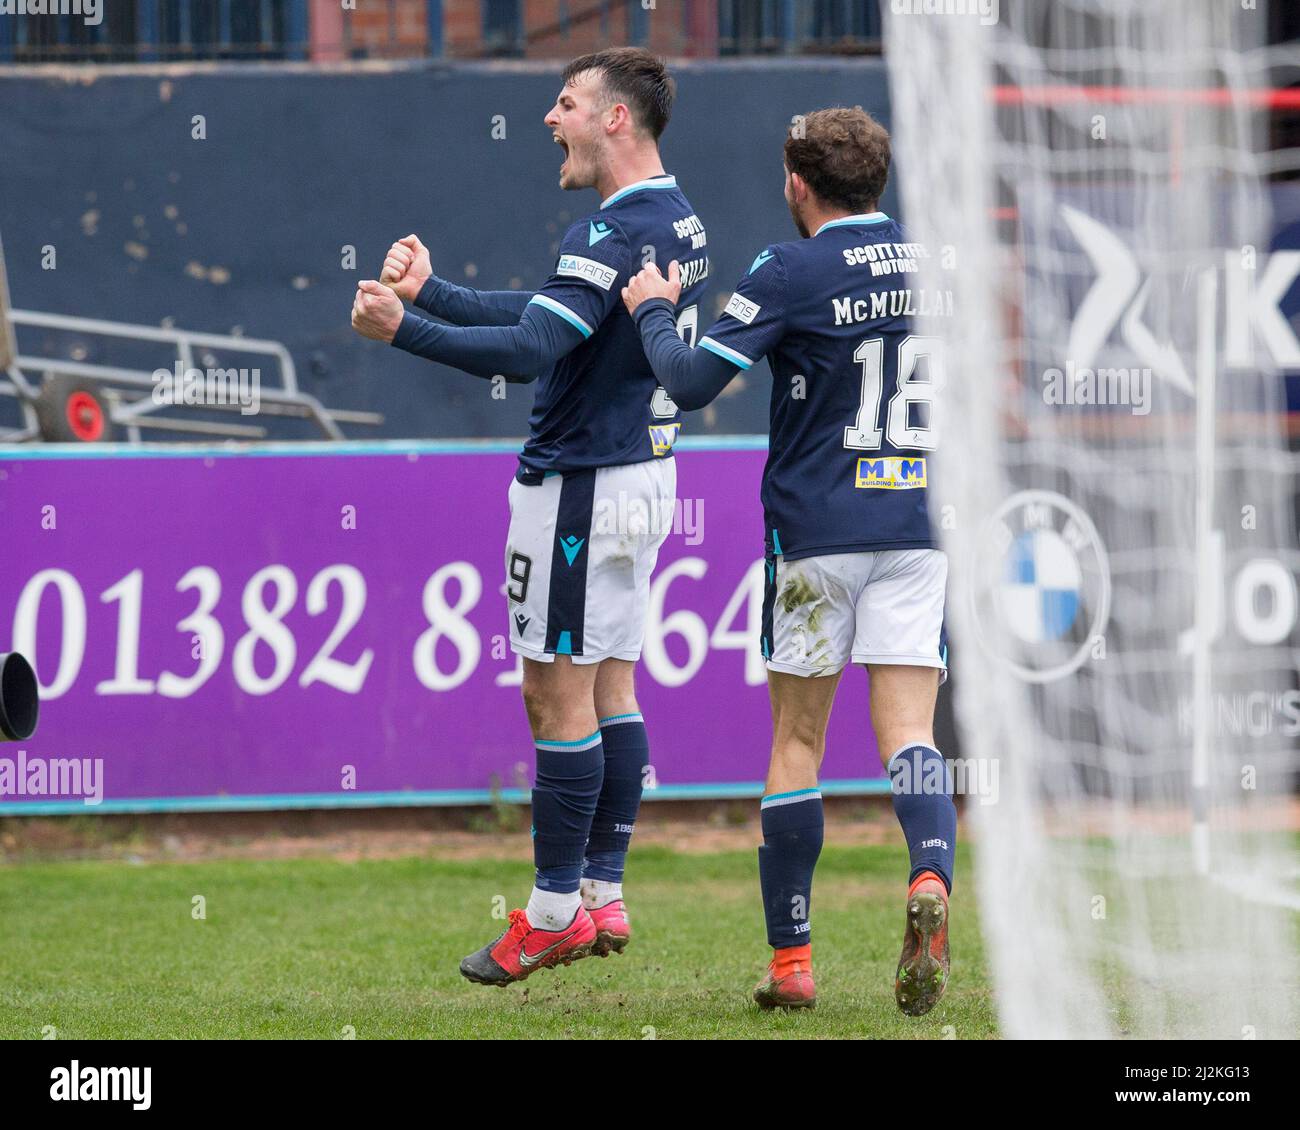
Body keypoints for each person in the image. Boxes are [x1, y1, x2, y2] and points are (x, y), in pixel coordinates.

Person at [350, 48, 710, 985]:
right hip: (643, 477)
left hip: (581, 488)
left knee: (554, 695)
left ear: (615, 120)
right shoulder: (677, 216)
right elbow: (556, 317)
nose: (550, 119)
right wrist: (436, 293)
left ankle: (552, 914)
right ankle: (601, 889)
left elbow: (529, 344)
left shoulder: (612, 225)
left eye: (566, 104)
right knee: (611, 690)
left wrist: (405, 330)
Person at [620, 107, 955, 1016]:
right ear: (878, 181)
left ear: (797, 186)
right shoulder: (938, 266)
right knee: (911, 738)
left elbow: (689, 383)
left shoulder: (789, 267)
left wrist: (653, 312)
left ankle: (793, 963)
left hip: (816, 534)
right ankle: (930, 877)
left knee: (797, 743)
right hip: (918, 529)